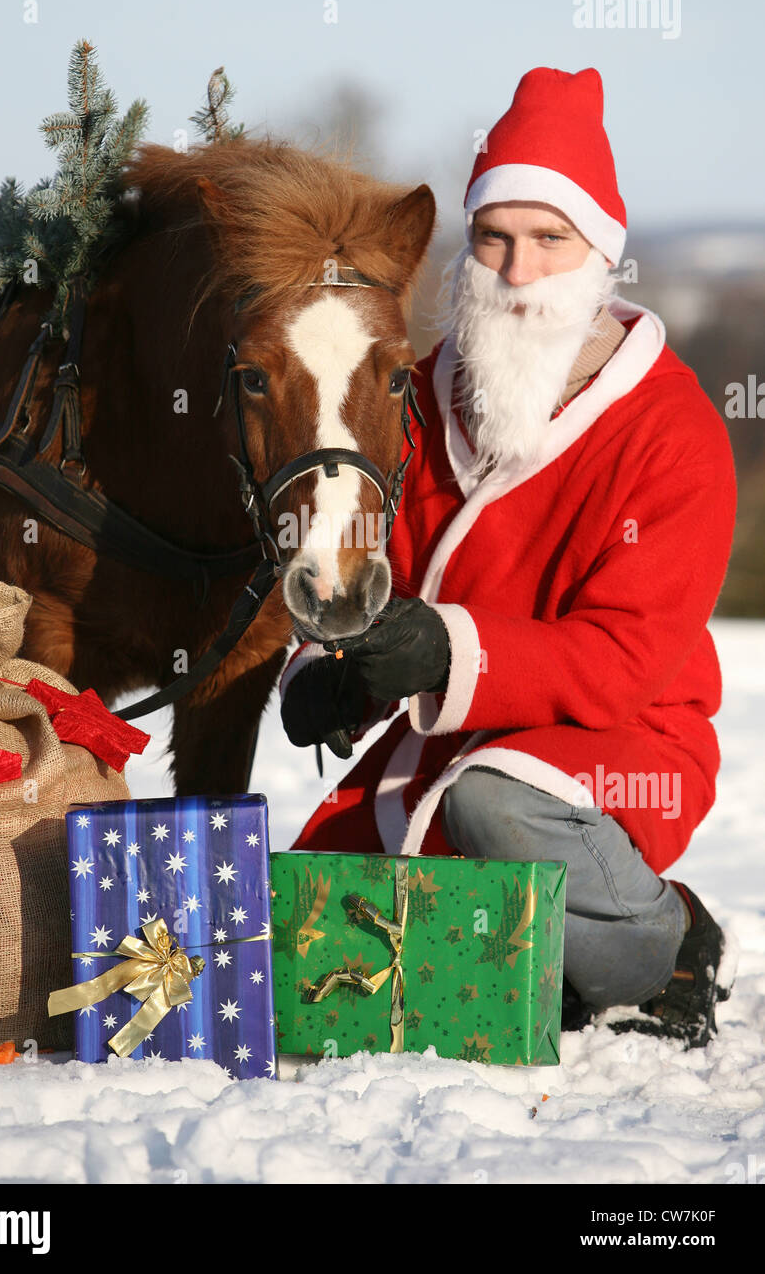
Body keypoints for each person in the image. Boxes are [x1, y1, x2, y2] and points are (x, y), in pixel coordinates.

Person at [279, 67, 737, 1048]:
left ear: (598, 255)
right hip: (436, 747)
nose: (516, 271)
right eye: (493, 238)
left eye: (547, 240)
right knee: (307, 920)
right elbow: (362, 565)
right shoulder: (408, 399)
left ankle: (665, 944)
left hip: (622, 742)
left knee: (497, 807)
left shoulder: (672, 432)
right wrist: (325, 666)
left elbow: (625, 658)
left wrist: (445, 652)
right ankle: (532, 960)